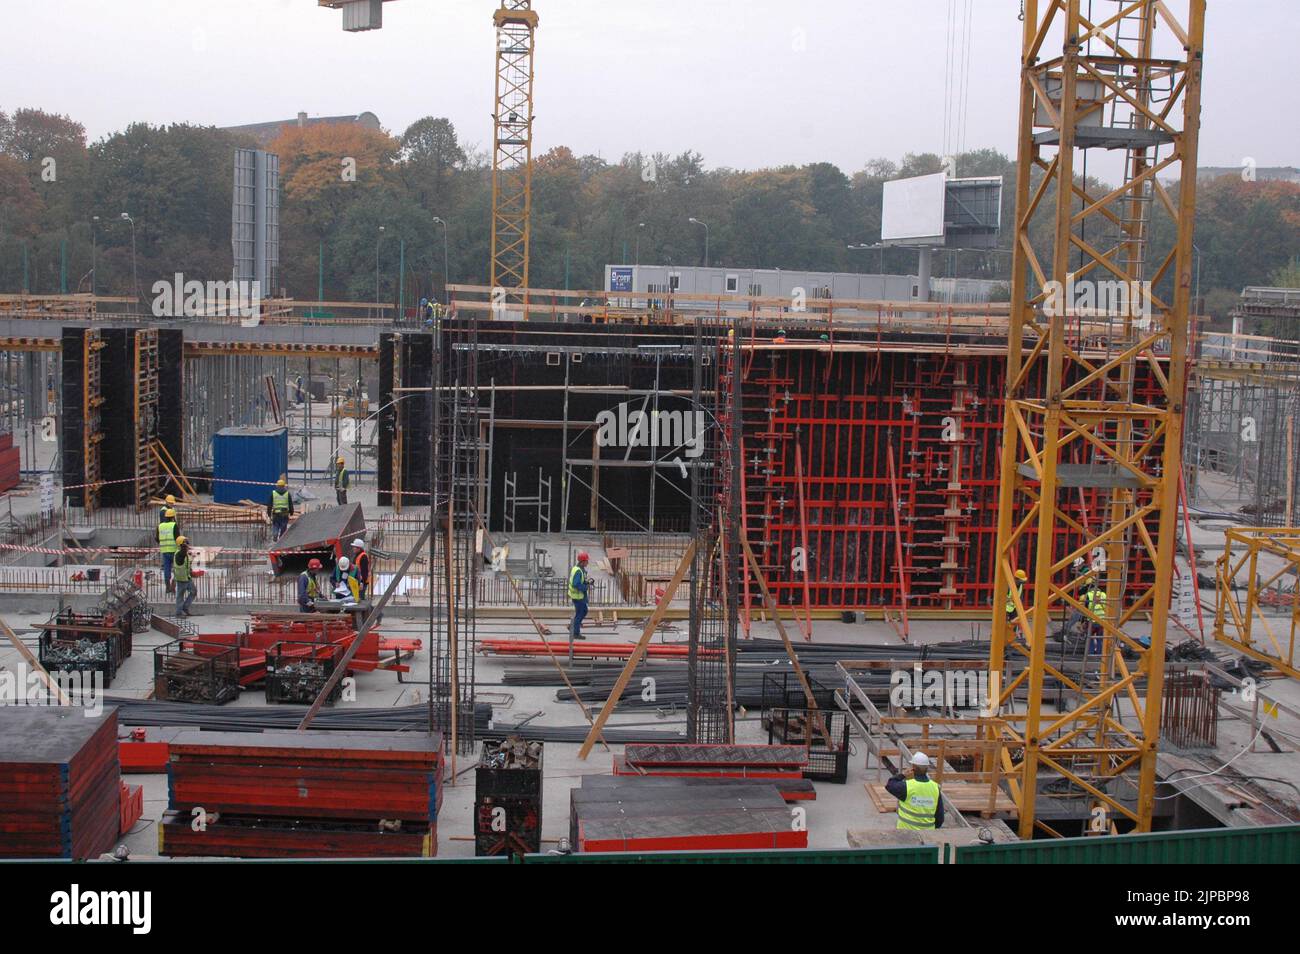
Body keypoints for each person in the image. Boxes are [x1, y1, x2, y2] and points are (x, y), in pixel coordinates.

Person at [886, 751, 944, 830]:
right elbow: (940, 817)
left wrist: (902, 775)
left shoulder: (907, 787)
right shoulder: (935, 788)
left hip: (906, 833)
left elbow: (890, 784)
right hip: (929, 834)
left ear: (913, 768)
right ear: (927, 768)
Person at [567, 551, 591, 641]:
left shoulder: (579, 569)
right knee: (580, 614)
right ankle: (575, 633)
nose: (587, 562)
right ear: (582, 561)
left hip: (579, 596)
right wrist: (585, 587)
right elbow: (576, 584)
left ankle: (573, 626)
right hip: (578, 597)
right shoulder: (578, 571)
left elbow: (581, 580)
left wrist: (587, 582)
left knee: (584, 611)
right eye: (586, 561)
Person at [173, 536, 198, 618]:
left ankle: (185, 607)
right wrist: (185, 547)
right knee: (180, 596)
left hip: (187, 577)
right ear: (181, 545)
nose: (187, 546)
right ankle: (178, 613)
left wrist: (190, 570)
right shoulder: (179, 554)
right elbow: (182, 556)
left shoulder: (184, 553)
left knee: (193, 592)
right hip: (181, 578)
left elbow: (186, 563)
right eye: (186, 544)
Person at [157, 508, 180, 594]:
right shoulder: (174, 525)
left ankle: (167, 587)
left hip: (164, 551)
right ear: (173, 517)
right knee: (177, 569)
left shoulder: (160, 526)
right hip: (174, 551)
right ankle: (173, 586)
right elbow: (178, 538)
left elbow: (157, 538)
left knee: (167, 569)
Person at [1083, 581, 1108, 655]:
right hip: (1102, 620)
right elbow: (1107, 606)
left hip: (1091, 620)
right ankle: (1100, 652)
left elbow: (1085, 608)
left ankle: (1090, 652)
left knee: (1089, 638)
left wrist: (1083, 621)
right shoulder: (1103, 594)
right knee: (1100, 638)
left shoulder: (1088, 595)